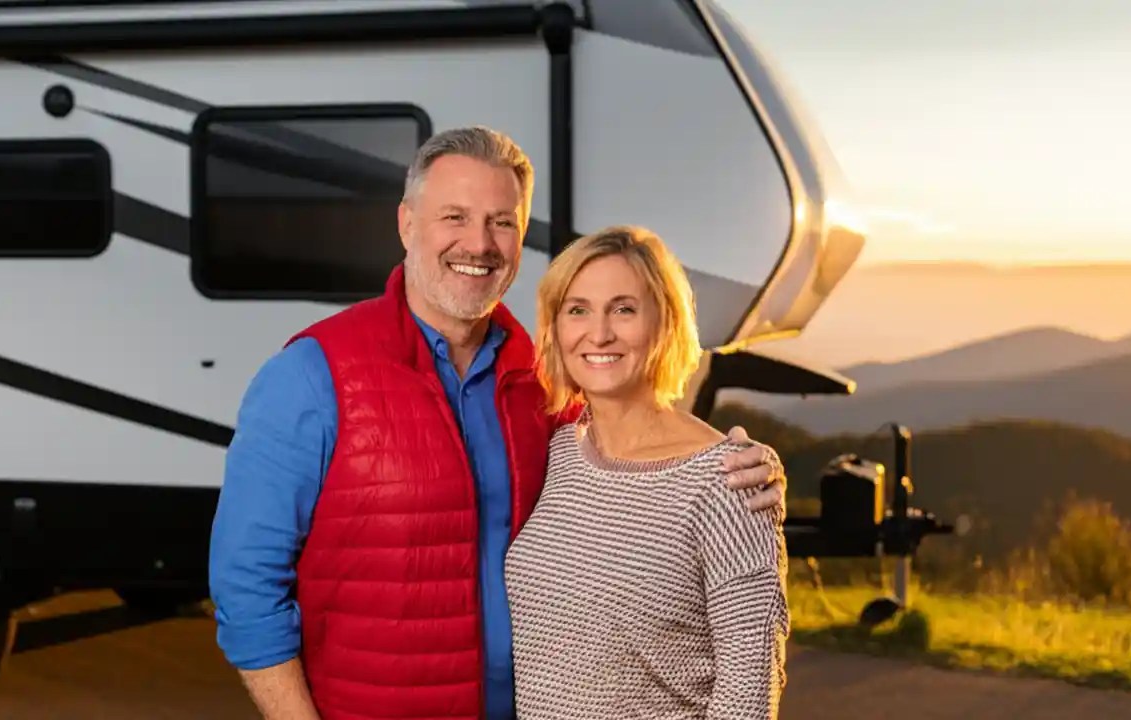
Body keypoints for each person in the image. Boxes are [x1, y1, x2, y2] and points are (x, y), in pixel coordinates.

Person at [208, 126, 786, 720]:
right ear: (407, 225)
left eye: (501, 222)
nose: (478, 243)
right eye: (454, 217)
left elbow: (636, 442)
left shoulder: (545, 386)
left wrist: (737, 461)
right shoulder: (312, 375)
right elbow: (246, 585)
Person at [505, 225, 790, 719]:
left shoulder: (728, 482)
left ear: (665, 324)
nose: (599, 334)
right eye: (578, 310)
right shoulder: (559, 455)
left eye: (624, 309)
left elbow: (746, 698)